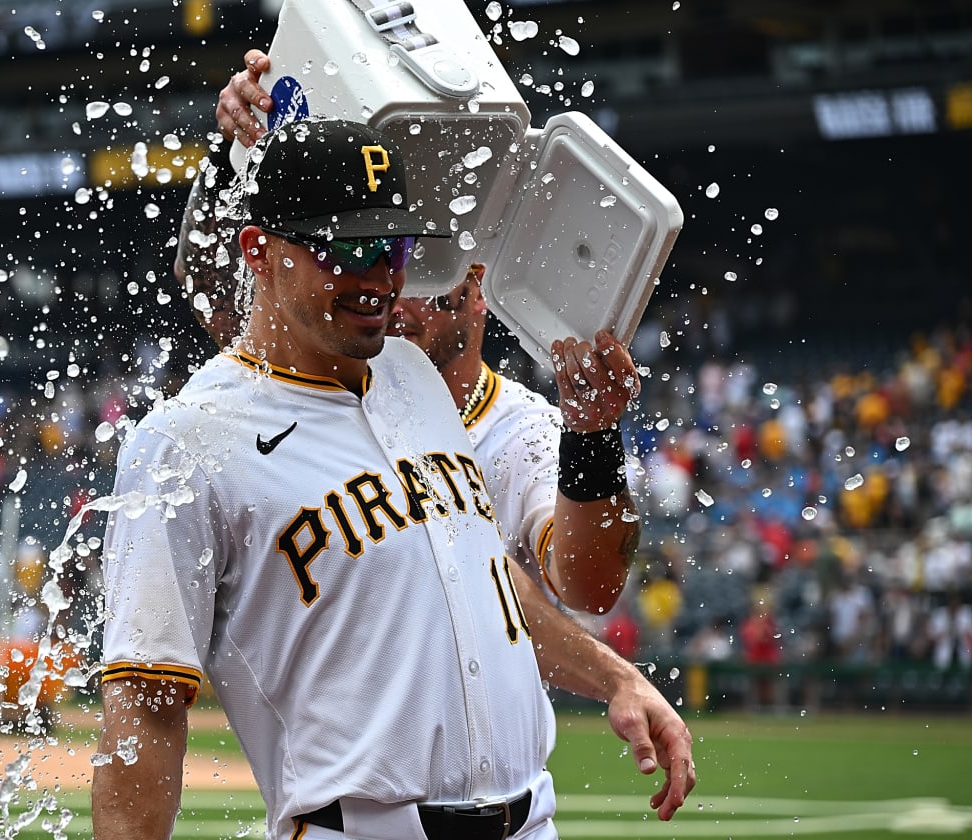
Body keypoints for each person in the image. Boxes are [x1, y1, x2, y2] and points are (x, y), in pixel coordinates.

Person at [94, 118, 695, 840]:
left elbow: (469, 569)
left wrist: (613, 675)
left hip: (530, 838)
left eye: (396, 246)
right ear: (260, 252)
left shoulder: (414, 381)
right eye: (345, 248)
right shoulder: (185, 443)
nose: (379, 275)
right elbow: (143, 709)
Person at [179, 48, 642, 614]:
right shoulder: (325, 381)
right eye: (359, 252)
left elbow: (589, 588)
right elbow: (213, 290)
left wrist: (591, 438)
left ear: (477, 291)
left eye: (408, 262)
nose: (388, 287)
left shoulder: (520, 432)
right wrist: (238, 153)